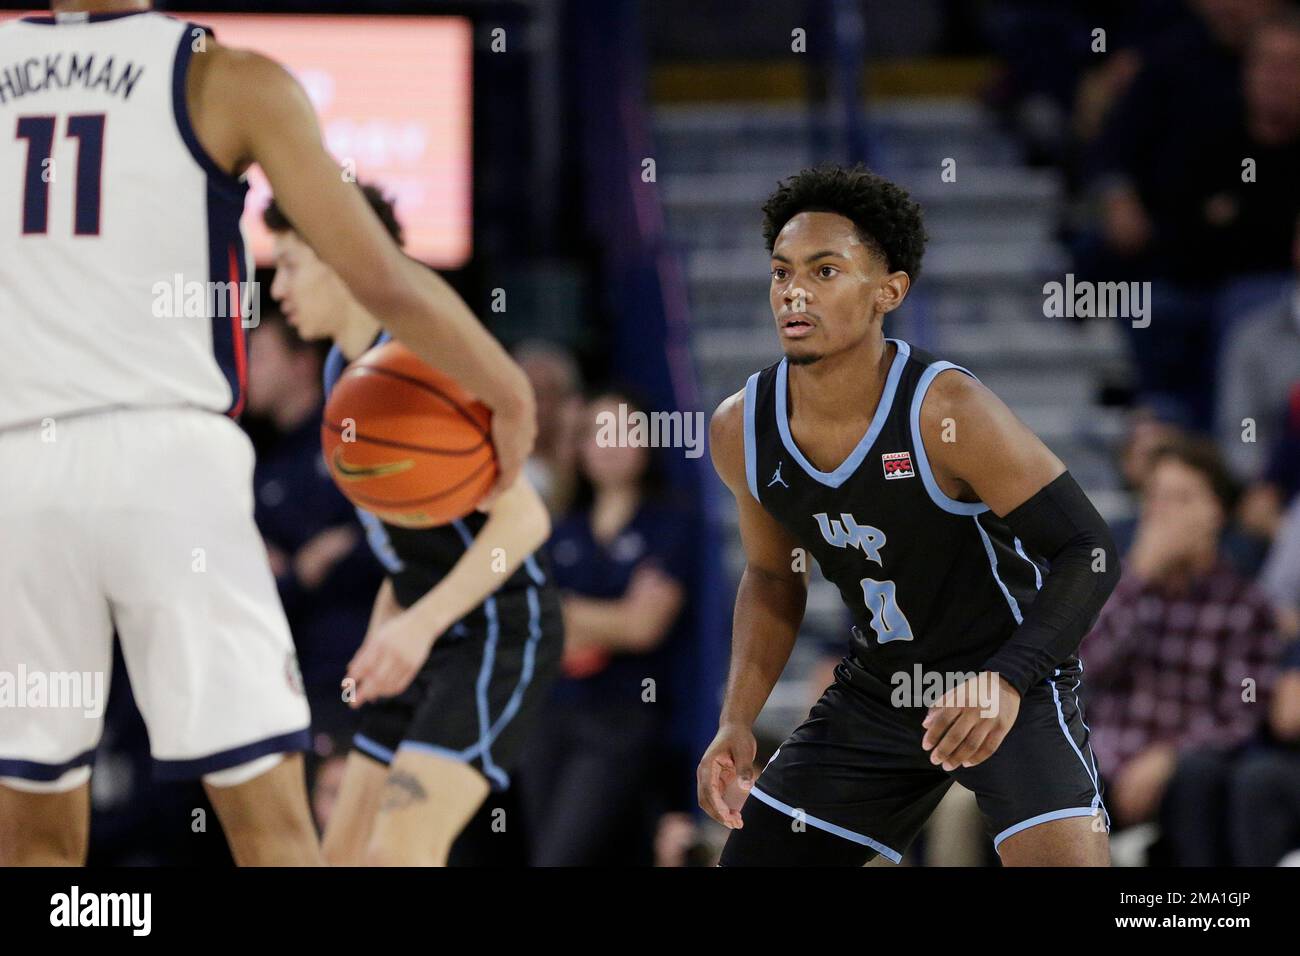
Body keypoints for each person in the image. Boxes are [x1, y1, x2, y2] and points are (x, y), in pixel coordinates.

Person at [0, 1, 534, 867]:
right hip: (167, 467)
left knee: (32, 843)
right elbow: (380, 274)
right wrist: (507, 389)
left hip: (19, 466)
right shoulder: (227, 77)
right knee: (274, 831)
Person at [699, 164, 1121, 867]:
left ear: (888, 292)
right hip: (880, 690)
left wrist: (1008, 678)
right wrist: (737, 719)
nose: (794, 291)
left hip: (1006, 677)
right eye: (781, 273)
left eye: (825, 271)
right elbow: (774, 578)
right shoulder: (739, 429)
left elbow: (1089, 547)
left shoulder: (945, 411)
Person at [263, 186, 563, 867]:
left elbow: (525, 520)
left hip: (496, 632)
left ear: (342, 255)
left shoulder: (422, 354)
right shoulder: (345, 369)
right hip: (426, 636)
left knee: (398, 854)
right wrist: (385, 635)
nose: (276, 285)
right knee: (336, 859)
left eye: (289, 263)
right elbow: (410, 555)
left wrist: (418, 627)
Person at [1079, 436, 1281, 865]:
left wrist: (1168, 757)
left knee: (1198, 779)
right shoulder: (1123, 588)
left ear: (1215, 512)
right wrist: (1138, 578)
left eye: (1180, 498)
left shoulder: (1244, 605)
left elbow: (1241, 714)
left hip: (1187, 768)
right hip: (1106, 760)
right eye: (1155, 498)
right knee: (1043, 773)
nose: (1162, 513)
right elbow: (1084, 669)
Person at [517, 390, 691, 866]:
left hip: (624, 717)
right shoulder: (560, 529)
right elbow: (534, 622)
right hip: (550, 714)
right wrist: (605, 616)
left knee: (560, 856)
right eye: (597, 431)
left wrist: (569, 610)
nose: (611, 444)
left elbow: (643, 627)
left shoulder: (670, 521)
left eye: (625, 430)